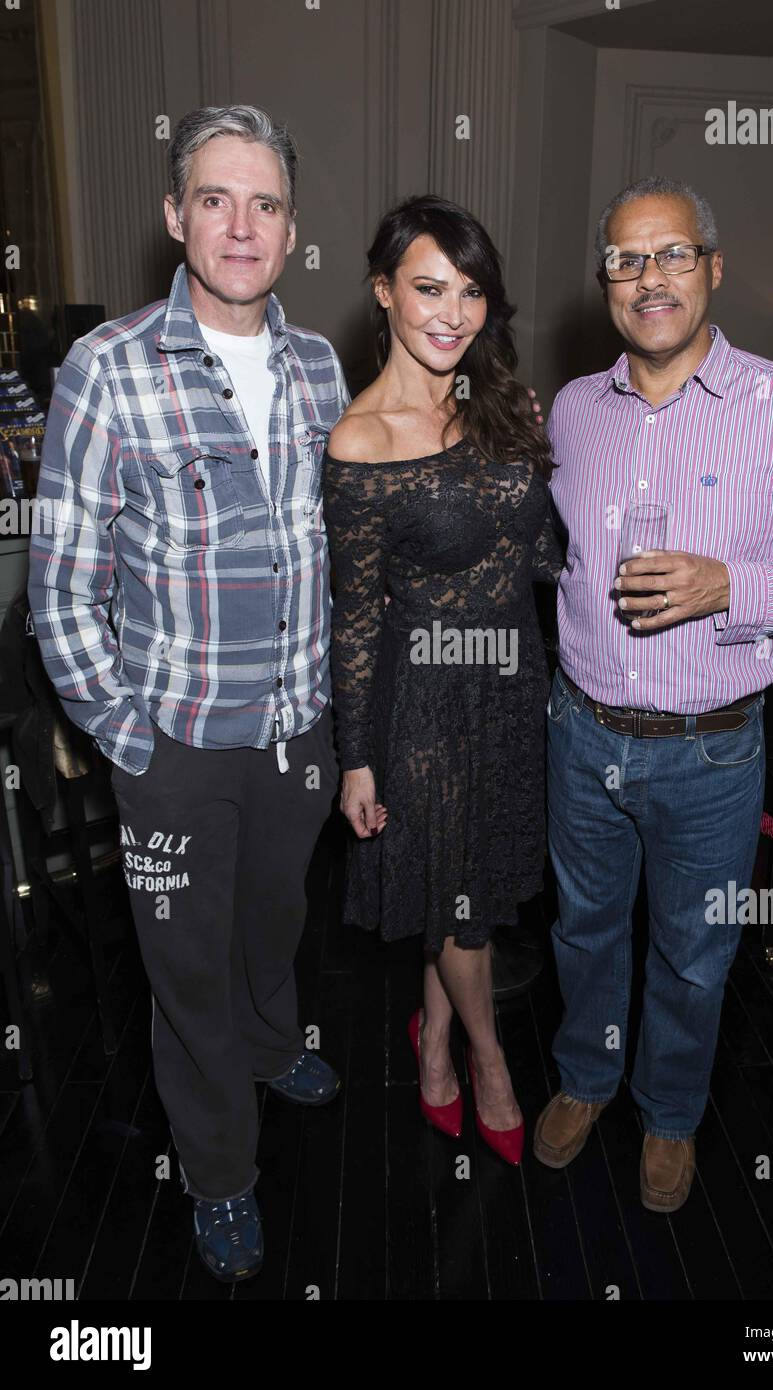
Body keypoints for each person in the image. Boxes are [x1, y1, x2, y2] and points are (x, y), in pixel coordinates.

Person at [534, 175, 773, 1211]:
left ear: (713, 267)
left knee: (695, 956)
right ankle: (588, 1077)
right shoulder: (573, 409)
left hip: (713, 749)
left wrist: (733, 586)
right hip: (580, 733)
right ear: (604, 279)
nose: (649, 279)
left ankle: (672, 1113)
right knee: (582, 931)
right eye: (625, 259)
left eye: (672, 255)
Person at [28, 105, 346, 1283]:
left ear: (291, 228)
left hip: (297, 729)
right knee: (187, 971)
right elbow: (60, 589)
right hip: (175, 740)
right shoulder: (106, 367)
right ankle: (219, 1172)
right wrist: (129, 737)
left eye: (264, 202)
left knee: (274, 925)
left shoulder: (319, 364)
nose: (240, 224)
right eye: (214, 198)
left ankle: (272, 1046)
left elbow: (333, 549)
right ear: (175, 215)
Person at [322, 195, 564, 1167]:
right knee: (458, 899)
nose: (452, 312)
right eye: (428, 286)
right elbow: (355, 615)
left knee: (454, 888)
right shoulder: (359, 443)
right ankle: (488, 1057)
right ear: (382, 291)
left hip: (511, 684)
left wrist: (535, 455)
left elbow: (539, 555)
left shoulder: (491, 395)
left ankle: (429, 1051)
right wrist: (357, 762)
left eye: (470, 291)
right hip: (423, 700)